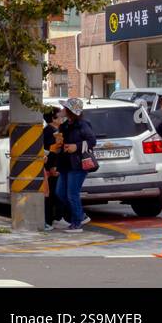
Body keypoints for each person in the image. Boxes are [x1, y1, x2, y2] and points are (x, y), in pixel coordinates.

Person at [55, 97, 97, 233]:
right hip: (65, 164)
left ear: (69, 110)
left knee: (72, 194)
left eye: (64, 108)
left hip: (78, 164)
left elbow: (92, 141)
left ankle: (76, 223)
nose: (62, 110)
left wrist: (76, 146)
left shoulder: (83, 124)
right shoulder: (64, 125)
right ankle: (81, 215)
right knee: (60, 193)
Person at [42, 108, 67, 230]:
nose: (62, 119)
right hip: (51, 169)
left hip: (56, 167)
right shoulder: (48, 132)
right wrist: (52, 167)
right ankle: (50, 220)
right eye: (60, 117)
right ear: (53, 119)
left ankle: (57, 218)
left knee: (56, 194)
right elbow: (50, 152)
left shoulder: (56, 130)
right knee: (51, 195)